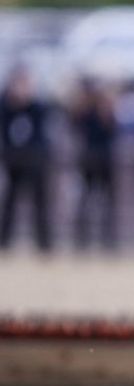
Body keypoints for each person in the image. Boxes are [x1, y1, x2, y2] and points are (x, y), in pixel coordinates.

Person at [0, 65, 53, 253]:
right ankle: (4, 241)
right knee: (9, 202)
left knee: (40, 203)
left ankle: (44, 243)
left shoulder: (37, 107)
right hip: (13, 159)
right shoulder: (6, 106)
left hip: (34, 159)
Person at [70, 77, 118, 251]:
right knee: (85, 201)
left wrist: (106, 110)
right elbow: (75, 125)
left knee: (107, 202)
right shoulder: (86, 112)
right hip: (88, 161)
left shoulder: (107, 112)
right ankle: (81, 239)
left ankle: (108, 239)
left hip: (105, 161)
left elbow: (112, 131)